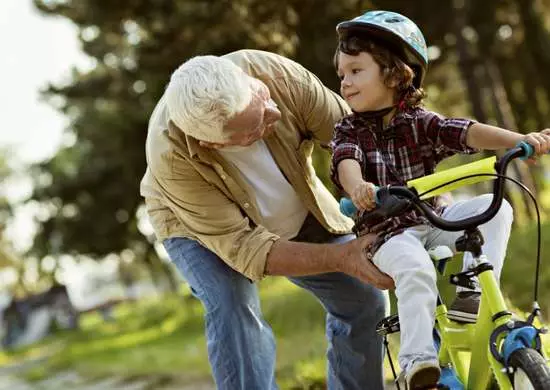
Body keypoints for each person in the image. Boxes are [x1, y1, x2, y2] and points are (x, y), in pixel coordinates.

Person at [140, 49, 392, 390]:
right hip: (196, 226)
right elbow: (249, 250)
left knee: (365, 296)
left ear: (251, 83)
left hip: (291, 199)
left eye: (262, 103)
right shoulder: (171, 158)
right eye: (254, 128)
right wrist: (342, 256)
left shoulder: (279, 78)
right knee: (231, 305)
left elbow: (358, 141)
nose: (272, 115)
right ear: (210, 142)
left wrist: (413, 193)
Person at [330, 10, 550, 389]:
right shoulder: (349, 128)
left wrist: (519, 141)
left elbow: (466, 132)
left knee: (494, 208)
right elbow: (346, 161)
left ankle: (472, 291)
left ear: (396, 74)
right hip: (389, 235)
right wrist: (358, 189)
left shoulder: (419, 122)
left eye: (355, 71)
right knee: (415, 271)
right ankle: (418, 365)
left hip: (434, 220)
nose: (345, 83)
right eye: (342, 75)